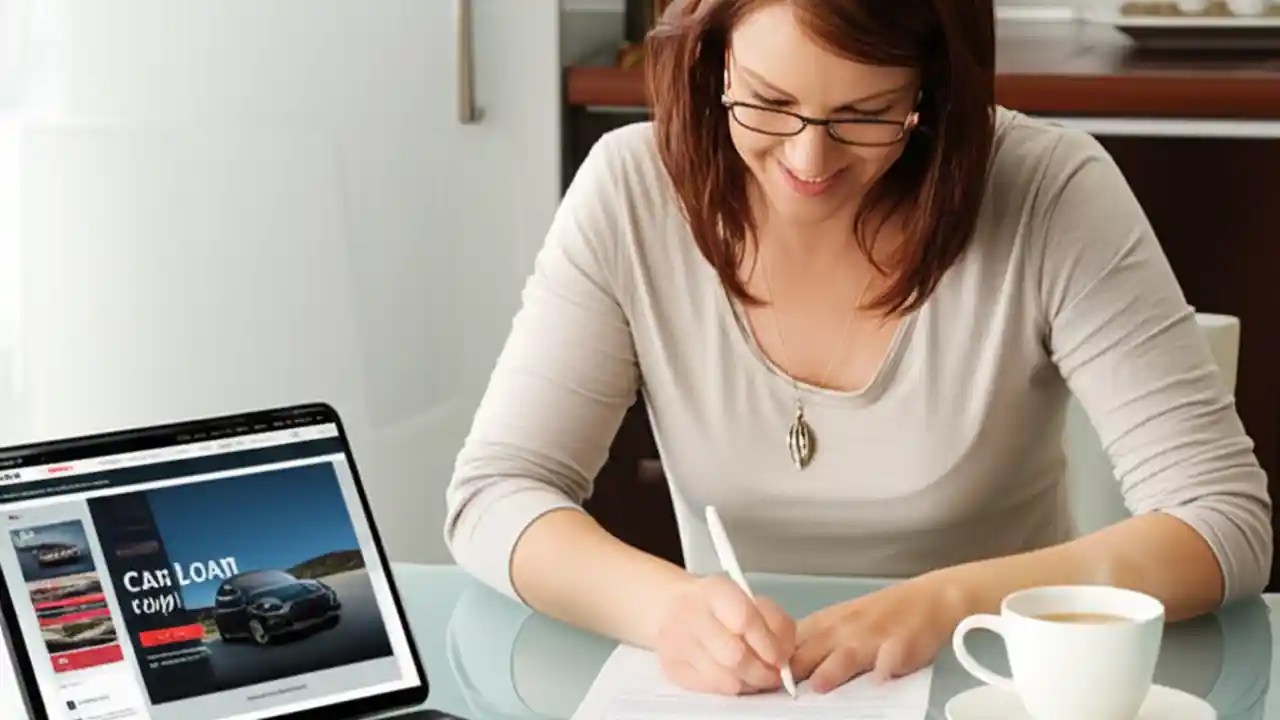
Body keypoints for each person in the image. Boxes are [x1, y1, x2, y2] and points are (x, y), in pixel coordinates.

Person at [444, 0, 1272, 698]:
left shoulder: (1047, 191)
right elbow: (496, 492)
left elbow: (1222, 521)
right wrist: (669, 609)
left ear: (932, 88)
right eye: (767, 102)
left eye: (867, 114)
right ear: (714, 58)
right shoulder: (632, 190)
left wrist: (948, 603)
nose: (809, 159)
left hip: (993, 686)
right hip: (750, 701)